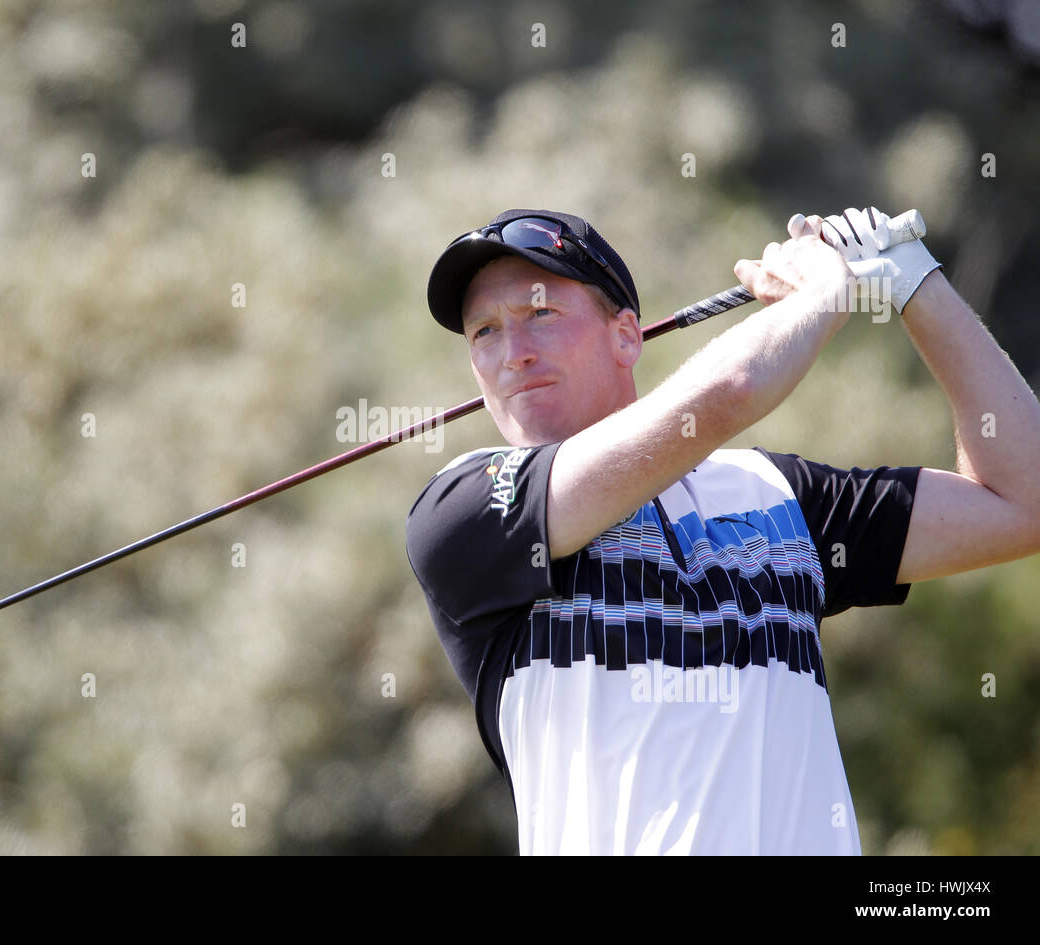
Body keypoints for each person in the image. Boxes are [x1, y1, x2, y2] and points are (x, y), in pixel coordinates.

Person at [404, 207, 1040, 855]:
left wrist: (914, 283)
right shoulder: (467, 507)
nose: (514, 353)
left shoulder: (778, 499)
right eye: (484, 331)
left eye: (540, 313)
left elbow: (1024, 502)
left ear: (626, 336)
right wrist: (827, 293)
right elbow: (731, 389)